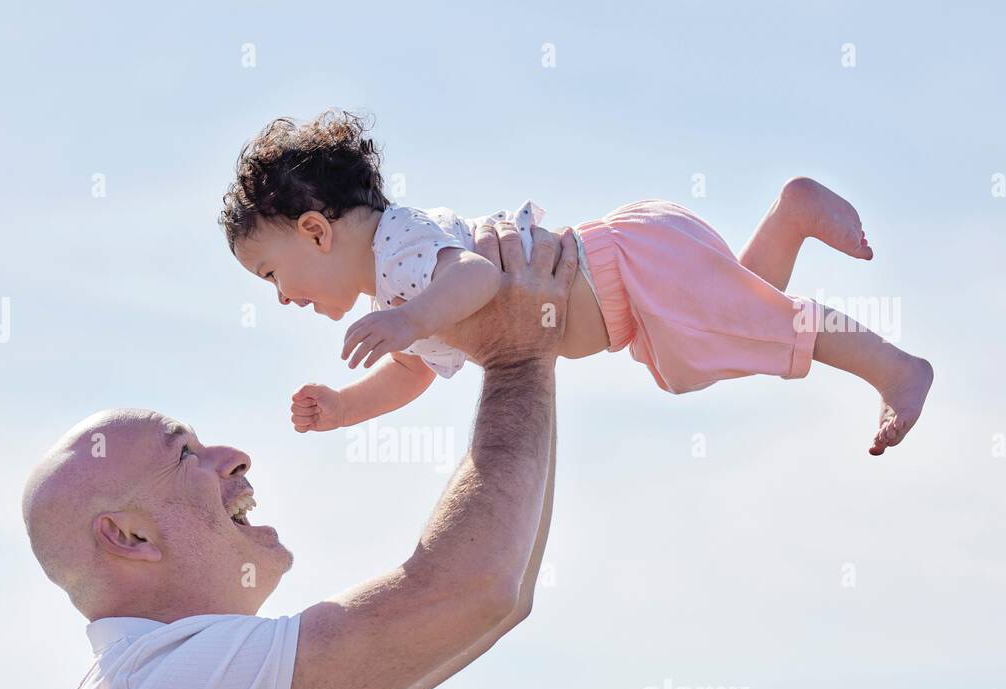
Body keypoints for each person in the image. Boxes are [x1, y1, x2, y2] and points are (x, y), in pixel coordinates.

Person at [22, 222, 574, 689]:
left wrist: (529, 363)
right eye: (188, 456)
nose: (236, 457)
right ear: (130, 538)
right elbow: (473, 586)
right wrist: (518, 361)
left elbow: (498, 591)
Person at [221, 110, 933, 457]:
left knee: (769, 328)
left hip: (626, 270)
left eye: (273, 274)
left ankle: (897, 370)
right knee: (723, 333)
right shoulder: (398, 287)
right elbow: (414, 372)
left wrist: (407, 323)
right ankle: (790, 218)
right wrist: (346, 407)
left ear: (316, 231)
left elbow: (471, 276)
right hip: (635, 274)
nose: (282, 296)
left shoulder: (403, 254)